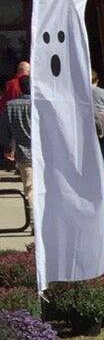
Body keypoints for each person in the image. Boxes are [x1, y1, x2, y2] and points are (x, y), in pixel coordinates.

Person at [2, 71, 30, 228]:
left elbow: (4, 129)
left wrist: (7, 147)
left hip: (23, 152)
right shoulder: (42, 104)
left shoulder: (10, 106)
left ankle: (35, 222)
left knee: (30, 187)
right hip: (45, 153)